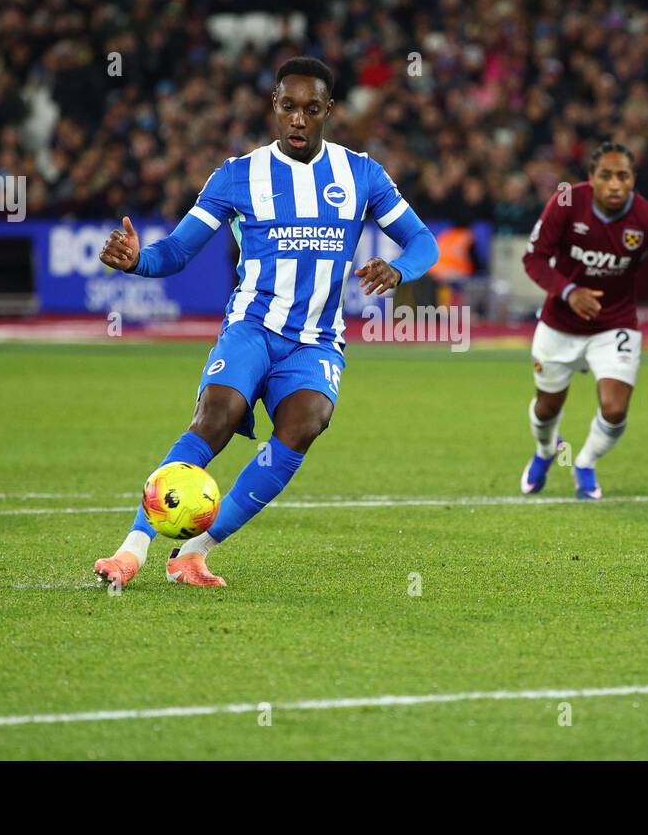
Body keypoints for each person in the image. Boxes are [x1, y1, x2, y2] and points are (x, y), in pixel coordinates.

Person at [93, 57, 438, 588]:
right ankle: (130, 551)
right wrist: (138, 260)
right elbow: (178, 253)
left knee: (306, 423)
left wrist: (399, 269)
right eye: (288, 107)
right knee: (217, 417)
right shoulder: (237, 176)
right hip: (253, 326)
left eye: (311, 109)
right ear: (274, 108)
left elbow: (423, 242)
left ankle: (195, 552)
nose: (298, 119)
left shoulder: (361, 174)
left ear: (328, 111)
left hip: (316, 341)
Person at [519, 142, 648, 500]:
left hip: (613, 324)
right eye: (606, 176)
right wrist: (570, 292)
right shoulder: (567, 201)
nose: (615, 184)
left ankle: (584, 463)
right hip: (559, 323)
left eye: (623, 176)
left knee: (615, 410)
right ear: (591, 178)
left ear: (633, 180)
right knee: (547, 406)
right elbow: (534, 258)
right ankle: (546, 450)